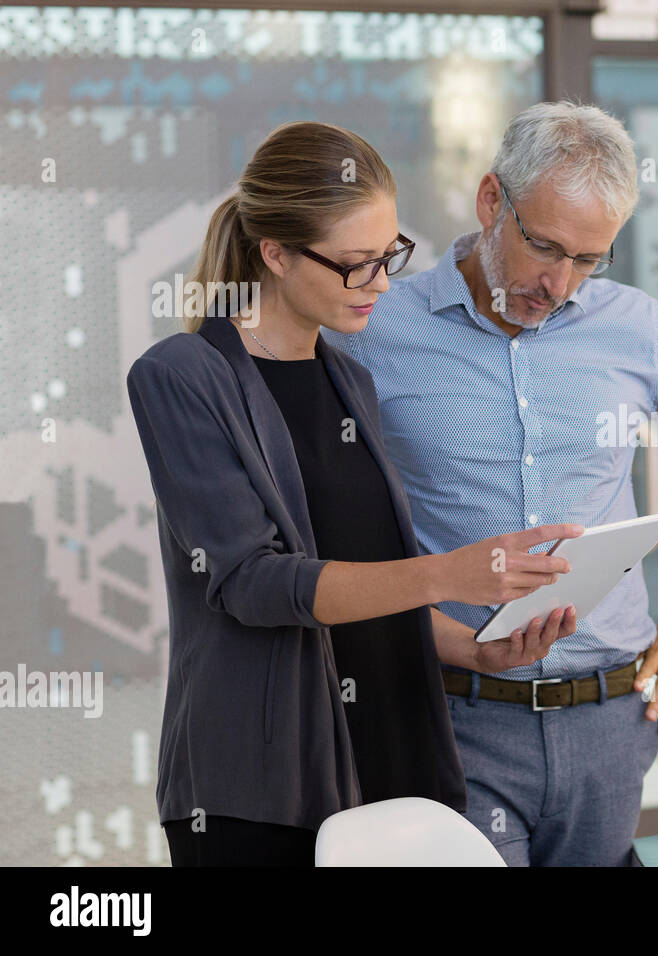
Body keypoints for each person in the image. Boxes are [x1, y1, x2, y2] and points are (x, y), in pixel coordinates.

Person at [321, 101, 658, 866]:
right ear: (492, 200)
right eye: (545, 247)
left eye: (589, 260)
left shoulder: (638, 330)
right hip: (452, 718)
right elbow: (323, 521)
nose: (559, 283)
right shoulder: (377, 330)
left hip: (609, 722)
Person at [127, 121, 583, 867]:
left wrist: (474, 647)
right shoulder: (181, 376)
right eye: (354, 265)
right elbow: (253, 583)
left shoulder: (351, 380)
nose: (380, 284)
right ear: (274, 253)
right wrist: (454, 572)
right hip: (264, 787)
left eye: (389, 257)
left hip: (394, 756)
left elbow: (367, 578)